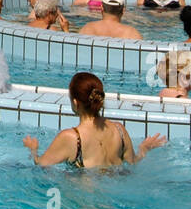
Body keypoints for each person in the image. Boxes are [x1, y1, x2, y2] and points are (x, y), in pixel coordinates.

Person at [23, 72, 165, 168]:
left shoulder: (71, 137)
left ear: (75, 102)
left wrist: (33, 150)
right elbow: (133, 163)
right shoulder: (120, 130)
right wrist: (143, 149)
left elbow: (41, 165)